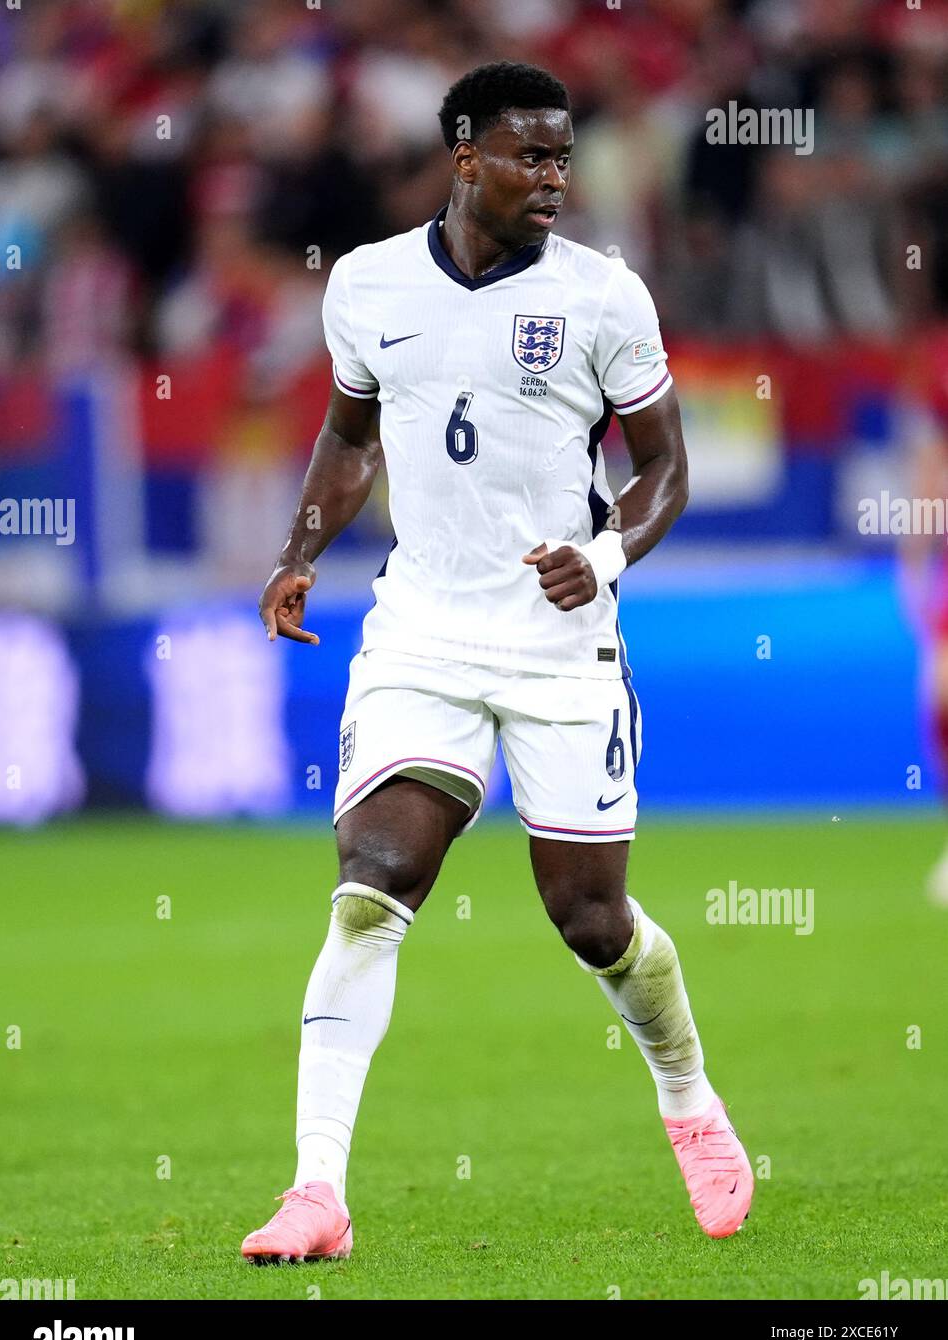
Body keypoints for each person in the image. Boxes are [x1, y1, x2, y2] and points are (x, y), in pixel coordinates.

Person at [243, 62, 753, 1263]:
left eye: (563, 158)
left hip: (558, 642)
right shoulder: (367, 284)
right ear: (463, 155)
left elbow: (666, 468)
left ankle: (685, 1095)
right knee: (372, 881)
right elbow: (346, 436)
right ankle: (318, 1192)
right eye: (529, 156)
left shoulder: (602, 296)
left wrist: (605, 551)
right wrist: (297, 550)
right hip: (419, 629)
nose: (552, 180)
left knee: (588, 917)